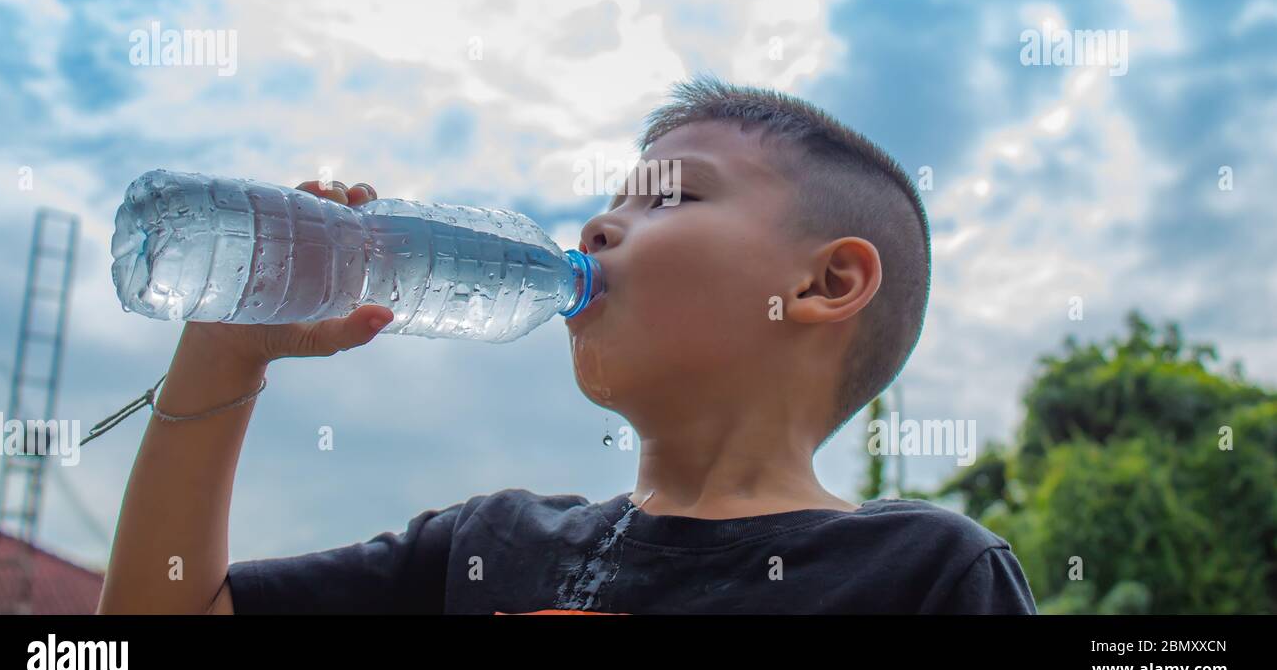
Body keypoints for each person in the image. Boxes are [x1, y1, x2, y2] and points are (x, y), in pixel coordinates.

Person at [97, 75, 1036, 614]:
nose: (596, 226)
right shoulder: (481, 546)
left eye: (670, 196)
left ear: (825, 284)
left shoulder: (924, 574)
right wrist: (223, 353)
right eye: (611, 199)